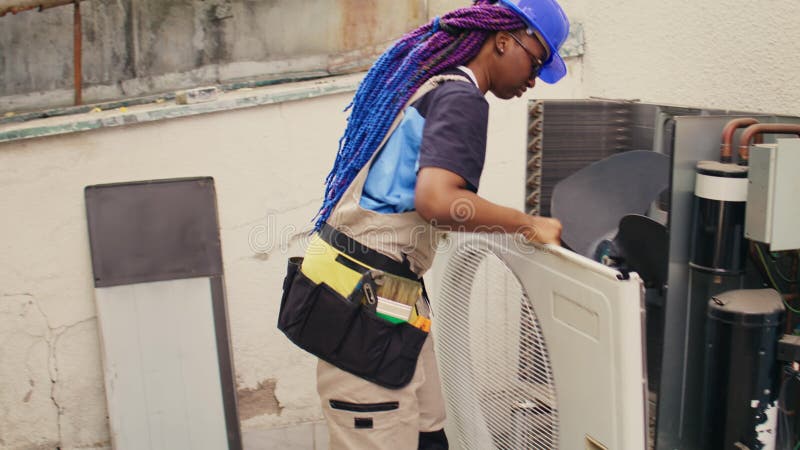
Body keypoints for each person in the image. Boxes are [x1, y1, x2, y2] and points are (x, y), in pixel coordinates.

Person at [295, 0, 569, 448]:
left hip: (385, 295)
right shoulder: (461, 98)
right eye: (536, 61)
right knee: (388, 429)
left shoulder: (429, 86)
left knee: (429, 431)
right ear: (503, 41)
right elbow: (438, 201)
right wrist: (525, 224)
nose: (533, 78)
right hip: (367, 308)